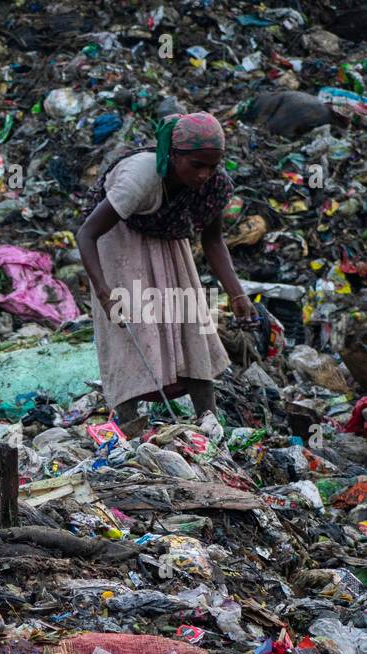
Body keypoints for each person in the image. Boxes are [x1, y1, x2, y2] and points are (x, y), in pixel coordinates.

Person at [77, 112, 257, 433]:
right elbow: (87, 233)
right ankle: (131, 430)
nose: (205, 174)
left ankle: (209, 425)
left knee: (190, 323)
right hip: (117, 240)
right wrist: (104, 292)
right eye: (197, 165)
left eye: (212, 165)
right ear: (173, 156)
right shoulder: (141, 176)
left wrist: (237, 293)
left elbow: (213, 241)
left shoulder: (213, 185)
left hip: (169, 239)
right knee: (132, 328)